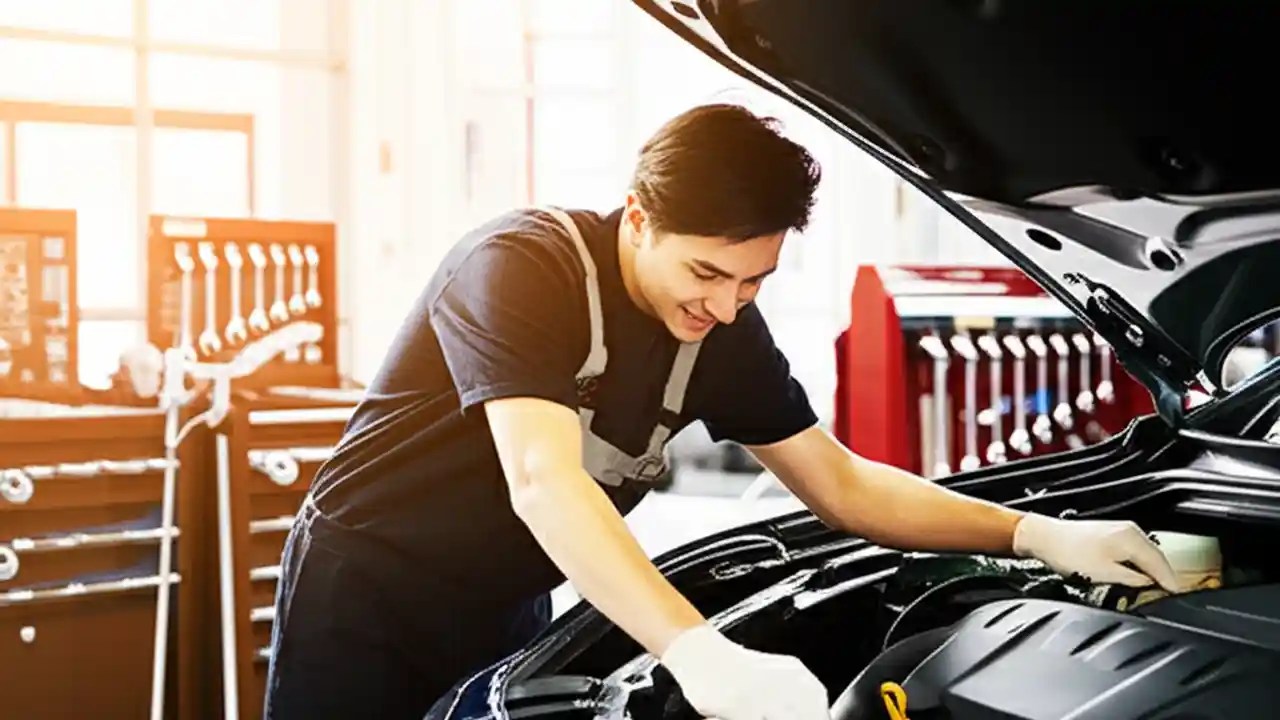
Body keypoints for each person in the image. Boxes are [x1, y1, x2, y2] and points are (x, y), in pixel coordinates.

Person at [262, 104, 1180, 720]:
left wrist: (1042, 537)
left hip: (503, 598)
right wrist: (694, 649)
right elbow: (543, 481)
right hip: (368, 590)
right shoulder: (520, 266)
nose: (728, 304)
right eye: (706, 271)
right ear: (637, 218)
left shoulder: (723, 327)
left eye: (755, 279)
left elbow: (842, 484)